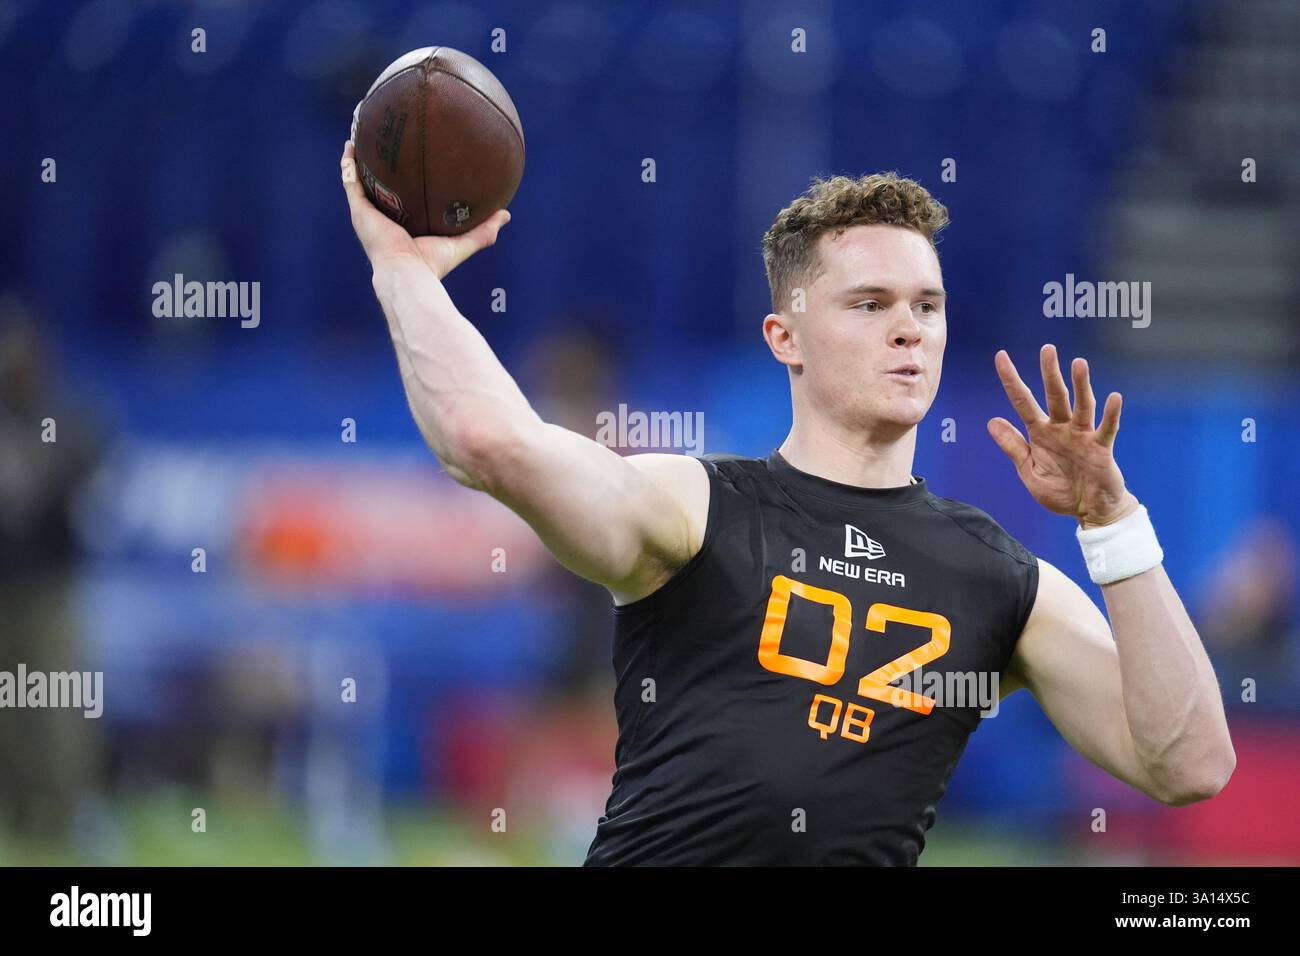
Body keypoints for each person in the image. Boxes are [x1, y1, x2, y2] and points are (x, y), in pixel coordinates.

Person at [340, 143, 1235, 865]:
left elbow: (1190, 764)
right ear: (786, 335)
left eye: (927, 304)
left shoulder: (1000, 578)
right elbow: (488, 442)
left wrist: (1114, 523)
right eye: (870, 302)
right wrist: (402, 269)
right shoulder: (696, 505)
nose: (908, 327)